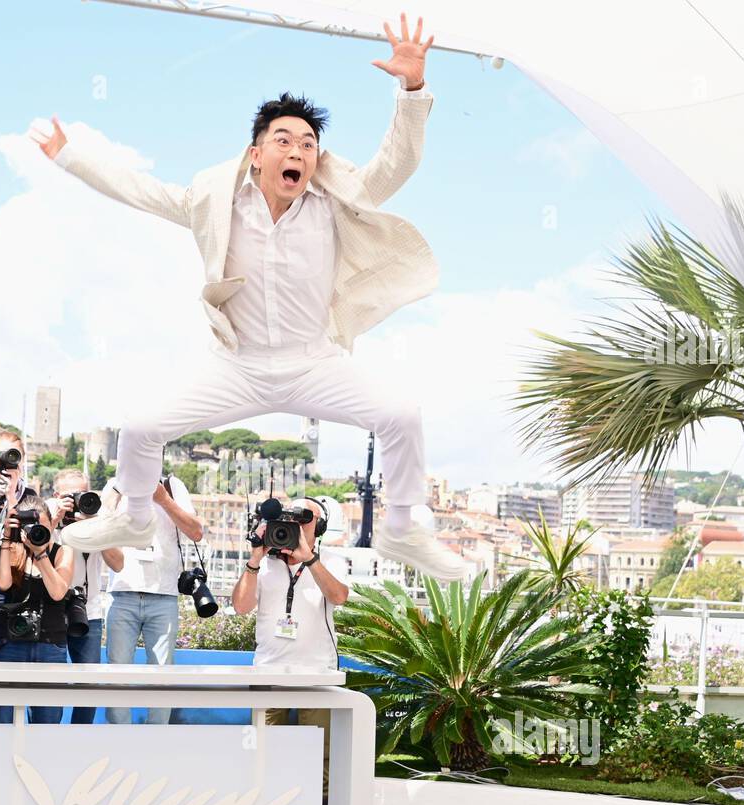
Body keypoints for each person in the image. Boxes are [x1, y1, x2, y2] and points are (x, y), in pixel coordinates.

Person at [35, 13, 467, 584]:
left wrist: (411, 89)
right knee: (140, 427)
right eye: (283, 140)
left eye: (308, 144)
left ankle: (404, 526)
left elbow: (397, 163)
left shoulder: (335, 201)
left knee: (401, 414)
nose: (298, 151)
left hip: (314, 361)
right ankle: (137, 518)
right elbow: (144, 191)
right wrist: (72, 156)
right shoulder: (216, 201)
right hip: (237, 364)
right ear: (257, 153)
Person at [231, 496, 347, 805]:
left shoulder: (333, 561)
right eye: (290, 517)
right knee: (266, 754)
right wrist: (253, 559)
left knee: (320, 758)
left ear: (320, 525)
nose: (295, 523)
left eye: (305, 517)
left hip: (316, 673)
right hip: (269, 672)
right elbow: (240, 607)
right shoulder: (264, 565)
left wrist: (308, 558)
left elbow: (339, 596)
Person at [101, 474, 202, 724]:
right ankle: (118, 744)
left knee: (162, 676)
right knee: (117, 676)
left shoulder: (172, 485)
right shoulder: (116, 483)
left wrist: (164, 499)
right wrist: (114, 497)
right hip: (122, 592)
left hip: (164, 595)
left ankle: (156, 740)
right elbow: (100, 525)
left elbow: (196, 532)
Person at [0, 491, 76, 724]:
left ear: (51, 522)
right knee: (3, 717)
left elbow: (58, 591)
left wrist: (40, 553)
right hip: (12, 643)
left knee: (47, 719)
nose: (34, 532)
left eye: (39, 526)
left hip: (50, 645)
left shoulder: (62, 552)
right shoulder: (13, 550)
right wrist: (8, 539)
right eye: (28, 526)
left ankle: (43, 762)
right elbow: (3, 584)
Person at [50, 467, 122, 724]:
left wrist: (94, 529)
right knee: (51, 684)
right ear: (57, 495)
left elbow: (118, 563)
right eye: (72, 496)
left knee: (88, 683)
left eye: (83, 493)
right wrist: (56, 519)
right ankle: (46, 737)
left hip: (89, 612)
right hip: (54, 610)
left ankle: (80, 735)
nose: (78, 500)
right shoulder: (50, 519)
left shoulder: (97, 520)